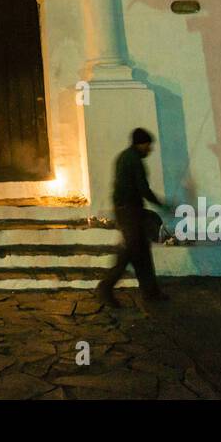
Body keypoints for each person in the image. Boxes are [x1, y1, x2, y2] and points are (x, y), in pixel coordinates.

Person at [95, 128, 167, 310]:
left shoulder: (123, 157)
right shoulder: (135, 161)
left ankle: (151, 291)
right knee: (130, 252)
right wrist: (162, 204)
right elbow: (143, 189)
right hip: (130, 212)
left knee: (141, 251)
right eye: (148, 145)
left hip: (125, 210)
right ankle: (106, 287)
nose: (149, 149)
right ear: (141, 144)